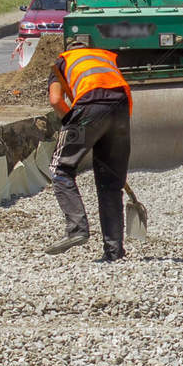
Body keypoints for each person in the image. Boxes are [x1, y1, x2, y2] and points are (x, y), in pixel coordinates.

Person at [44, 45, 132, 260]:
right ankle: (114, 251)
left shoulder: (61, 62)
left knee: (60, 168)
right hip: (121, 110)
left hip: (89, 107)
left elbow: (56, 101)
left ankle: (77, 229)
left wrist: (76, 129)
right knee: (110, 183)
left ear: (68, 49)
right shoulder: (104, 58)